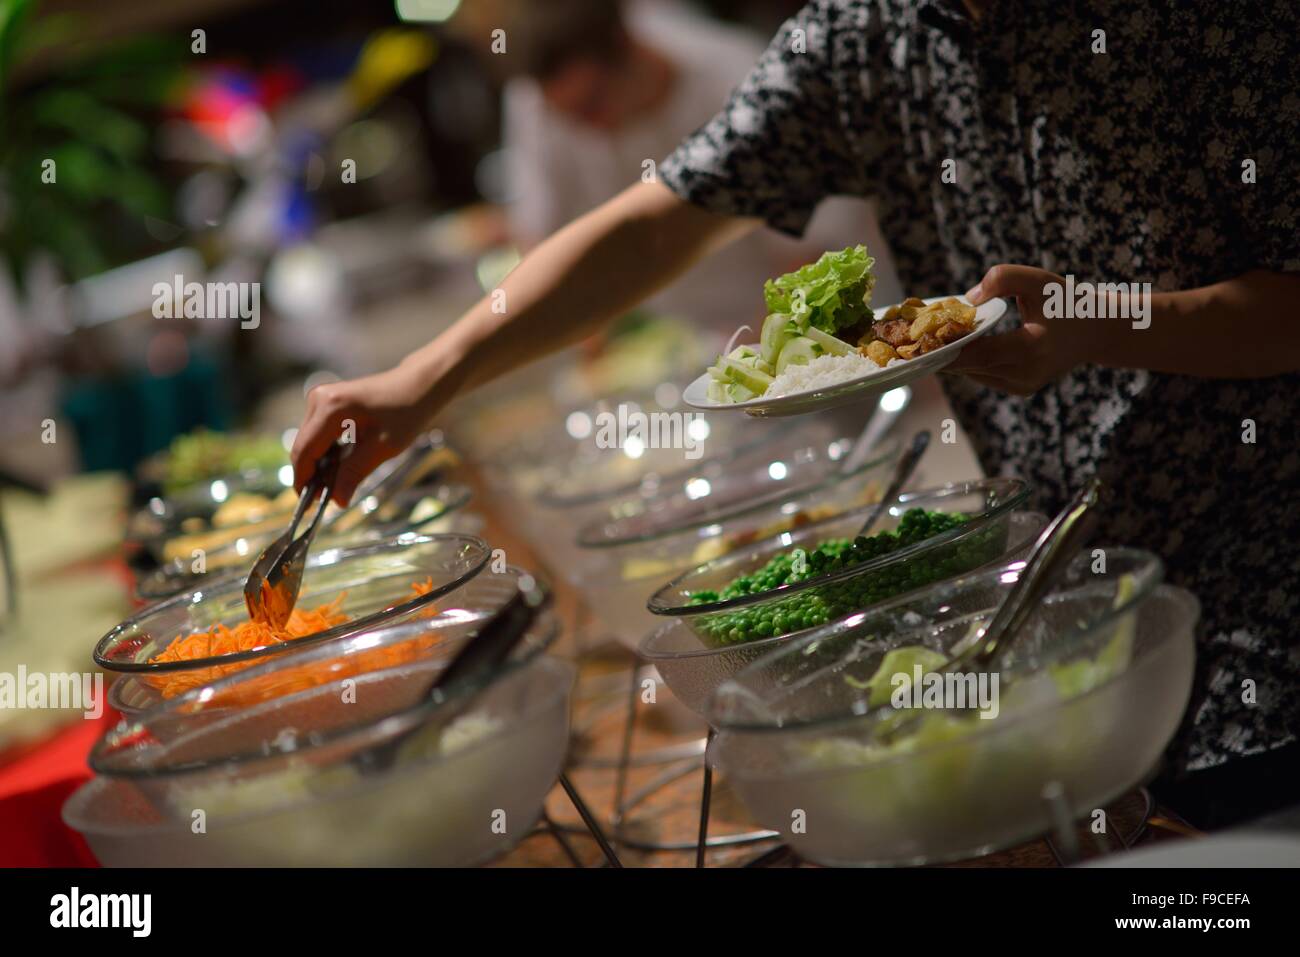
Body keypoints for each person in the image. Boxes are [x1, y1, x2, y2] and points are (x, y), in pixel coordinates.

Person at [295, 0, 1300, 828]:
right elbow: (661, 221)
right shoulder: (865, 35)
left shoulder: (1207, 26)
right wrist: (420, 381)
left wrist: (1101, 322)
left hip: (1265, 607)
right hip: (1064, 590)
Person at [466, 0, 899, 334]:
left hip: (804, 324)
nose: (589, 133)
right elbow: (539, 240)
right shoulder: (537, 98)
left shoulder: (740, 77)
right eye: (570, 119)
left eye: (593, 106)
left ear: (631, 50)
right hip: (679, 335)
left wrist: (757, 353)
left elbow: (809, 256)